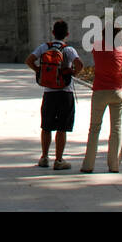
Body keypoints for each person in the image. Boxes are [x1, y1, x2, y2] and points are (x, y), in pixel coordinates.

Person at [27, 19, 83, 170]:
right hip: (65, 92)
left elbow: (29, 60)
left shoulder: (44, 47)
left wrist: (40, 71)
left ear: (53, 33)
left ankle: (44, 157)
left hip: (49, 92)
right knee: (62, 127)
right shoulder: (69, 50)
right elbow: (80, 64)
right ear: (67, 34)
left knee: (46, 126)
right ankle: (59, 160)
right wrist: (72, 74)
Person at [81, 30, 122, 172]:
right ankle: (114, 165)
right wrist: (118, 75)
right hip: (117, 91)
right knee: (116, 128)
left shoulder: (97, 46)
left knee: (94, 128)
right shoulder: (121, 49)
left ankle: (88, 165)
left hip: (99, 91)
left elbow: (99, 61)